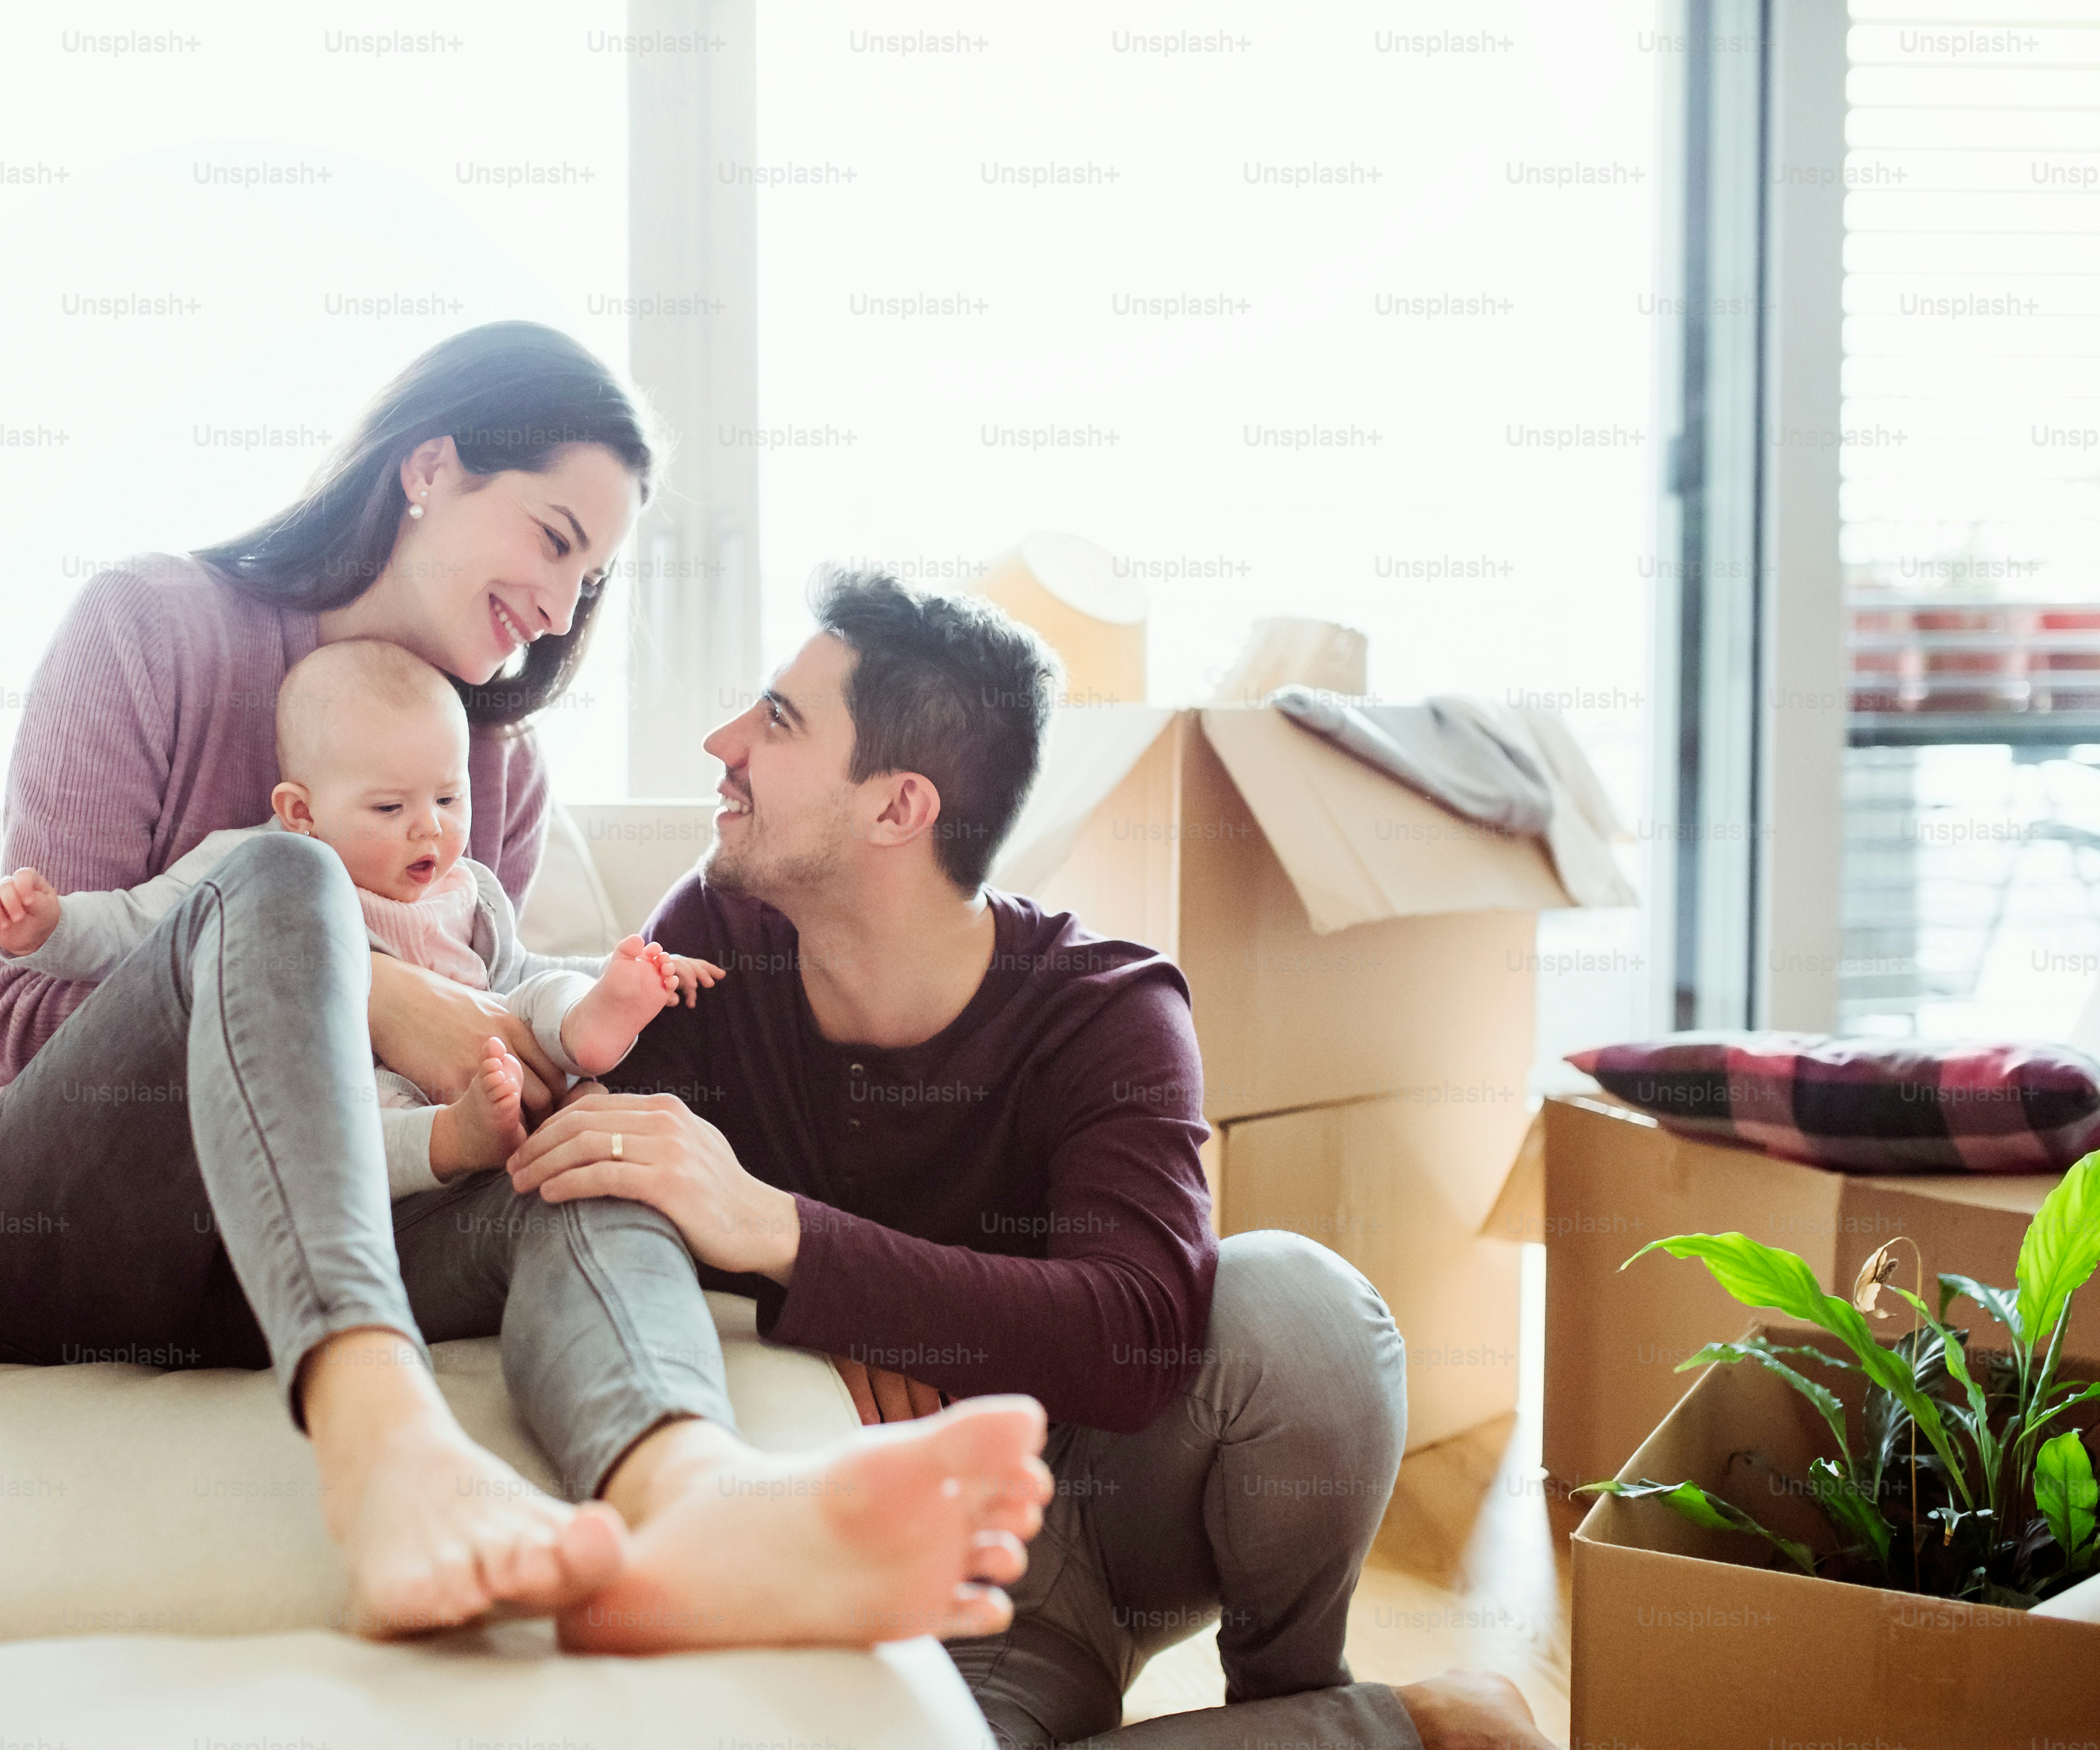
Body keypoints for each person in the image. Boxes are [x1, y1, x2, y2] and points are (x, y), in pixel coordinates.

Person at [0, 325, 1048, 1648]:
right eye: (556, 540)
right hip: (47, 1232)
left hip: (287, 1254)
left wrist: (536, 1057)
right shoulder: (150, 631)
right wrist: (380, 995)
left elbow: (498, 1048)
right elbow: (34, 1016)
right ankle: (384, 1446)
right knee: (282, 880)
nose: (565, 611)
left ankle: (697, 1509)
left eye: (595, 577)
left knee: (589, 1164)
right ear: (429, 469)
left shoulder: (492, 771)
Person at [504, 569, 1560, 1745]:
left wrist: (791, 1236)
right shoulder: (709, 937)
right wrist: (840, 1303)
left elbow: (1141, 1326)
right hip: (900, 1567)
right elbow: (615, 1188)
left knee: (1304, 1307)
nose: (724, 742)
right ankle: (1385, 1731)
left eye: (779, 720)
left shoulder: (1108, 1005)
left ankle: (1286, 1692)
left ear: (899, 807)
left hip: (1102, 1514)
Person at [0, 636, 725, 1182]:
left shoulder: (468, 888)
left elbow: (516, 973)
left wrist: (618, 974)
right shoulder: (253, 865)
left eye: (448, 797)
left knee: (537, 993)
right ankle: (449, 1141)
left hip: (489, 1040)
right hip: (366, 1075)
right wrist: (48, 928)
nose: (429, 827)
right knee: (346, 1113)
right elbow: (136, 930)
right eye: (390, 806)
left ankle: (601, 1026)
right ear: (301, 812)